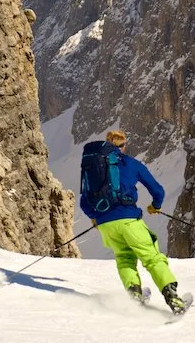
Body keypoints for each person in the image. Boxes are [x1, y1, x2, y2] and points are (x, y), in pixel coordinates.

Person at [80, 130, 188, 314]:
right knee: (152, 258)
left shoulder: (92, 168)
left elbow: (84, 201)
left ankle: (135, 296)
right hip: (129, 220)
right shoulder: (130, 163)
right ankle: (173, 298)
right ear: (122, 146)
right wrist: (155, 206)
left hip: (106, 226)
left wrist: (96, 219)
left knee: (124, 258)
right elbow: (158, 191)